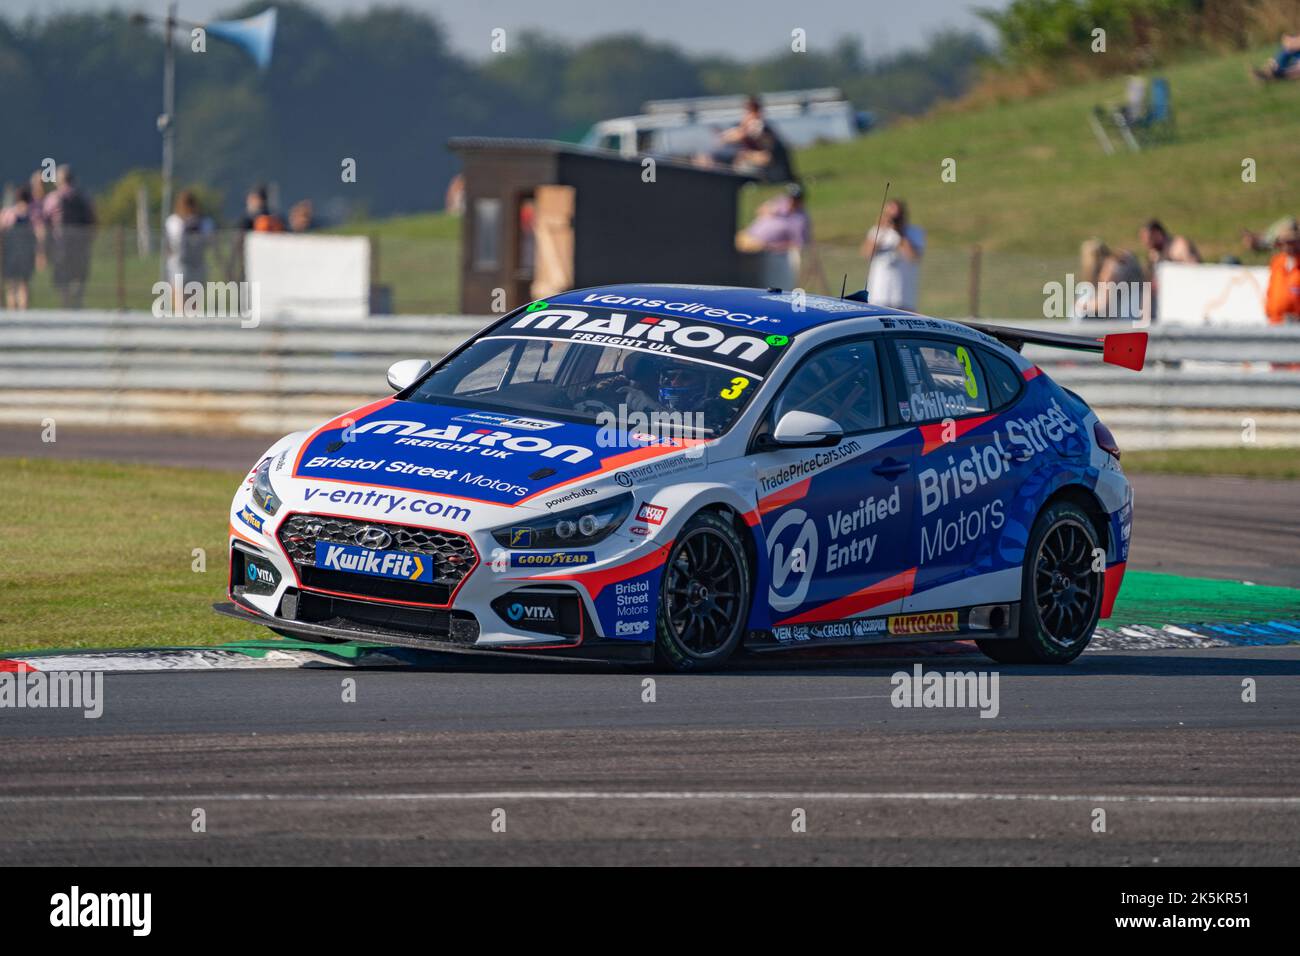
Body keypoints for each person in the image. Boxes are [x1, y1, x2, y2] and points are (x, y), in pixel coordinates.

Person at [43, 165, 96, 309]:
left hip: (60, 245)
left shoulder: (53, 198)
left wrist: (44, 247)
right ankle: (77, 303)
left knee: (62, 277)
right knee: (79, 275)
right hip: (81, 245)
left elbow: (45, 223)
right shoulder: (83, 197)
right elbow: (92, 220)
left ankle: (65, 305)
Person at [860, 198, 925, 311]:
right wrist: (881, 230)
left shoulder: (914, 232)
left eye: (896, 216)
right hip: (878, 296)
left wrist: (900, 233)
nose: (893, 219)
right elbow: (866, 254)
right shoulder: (876, 231)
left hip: (903, 297)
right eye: (889, 215)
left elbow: (914, 257)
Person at [164, 190, 215, 309]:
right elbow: (210, 241)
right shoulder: (205, 222)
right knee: (194, 309)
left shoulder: (174, 221)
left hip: (179, 267)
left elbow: (170, 245)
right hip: (198, 266)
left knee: (179, 308)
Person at [1074, 238, 1145, 321]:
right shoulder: (1115, 268)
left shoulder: (1111, 270)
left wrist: (1081, 305)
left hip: (1124, 323)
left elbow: (1104, 304)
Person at [736, 182, 811, 253]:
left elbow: (798, 245)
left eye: (796, 199)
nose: (792, 201)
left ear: (801, 200)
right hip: (746, 235)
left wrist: (772, 246)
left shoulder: (800, 220)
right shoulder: (781, 203)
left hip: (760, 247)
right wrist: (771, 210)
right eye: (791, 198)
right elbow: (759, 210)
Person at [0, 185, 39, 310]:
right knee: (24, 285)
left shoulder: (8, 213)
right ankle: (23, 313)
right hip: (26, 254)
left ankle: (12, 313)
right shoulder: (32, 214)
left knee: (11, 285)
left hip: (10, 254)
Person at [1265, 219, 1300, 325]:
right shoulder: (1277, 262)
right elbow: (1271, 292)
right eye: (1283, 243)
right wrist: (1269, 310)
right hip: (1275, 323)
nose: (1287, 246)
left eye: (1291, 242)